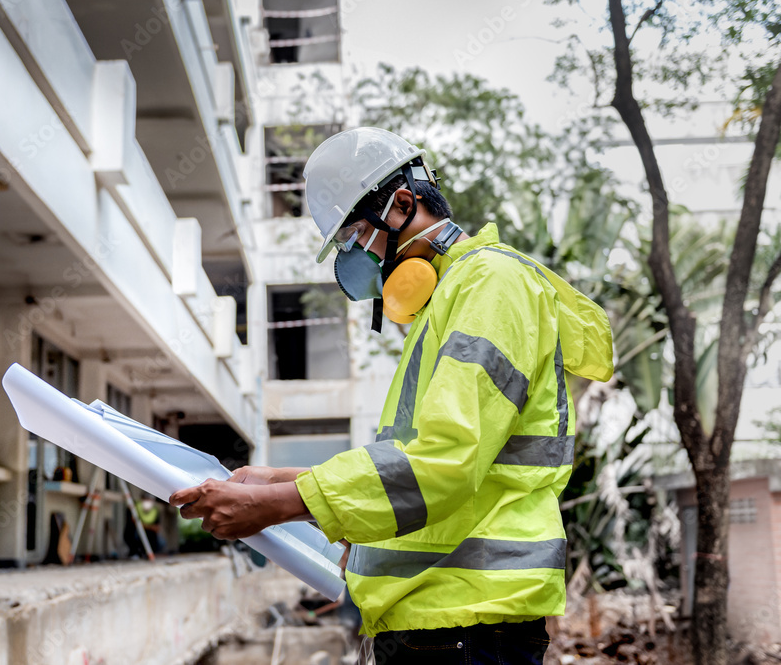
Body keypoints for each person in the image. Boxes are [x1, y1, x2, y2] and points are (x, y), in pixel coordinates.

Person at [170, 127, 614, 664]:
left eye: (357, 236)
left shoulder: (489, 284)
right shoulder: (449, 301)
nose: (360, 257)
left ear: (403, 203)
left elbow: (445, 463)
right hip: (441, 625)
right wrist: (286, 483)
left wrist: (278, 505)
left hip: (464, 629)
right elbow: (418, 466)